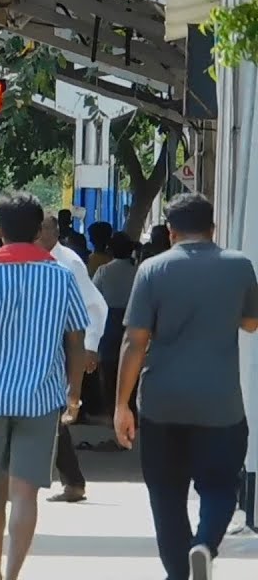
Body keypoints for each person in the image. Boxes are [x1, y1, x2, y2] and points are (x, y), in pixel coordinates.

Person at [114, 192, 258, 580]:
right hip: (221, 403)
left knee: (166, 494)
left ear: (170, 232)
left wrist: (121, 405)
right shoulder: (240, 266)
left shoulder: (153, 269)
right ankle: (205, 544)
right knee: (220, 486)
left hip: (161, 402)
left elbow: (134, 341)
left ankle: (178, 574)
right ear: (213, 228)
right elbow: (251, 323)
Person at [0, 191, 90, 580]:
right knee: (25, 492)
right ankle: (13, 575)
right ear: (38, 231)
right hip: (42, 400)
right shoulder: (61, 277)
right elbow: (76, 342)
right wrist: (75, 393)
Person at [38, 215, 108, 502]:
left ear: (53, 232)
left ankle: (72, 482)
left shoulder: (69, 262)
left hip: (67, 346)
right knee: (52, 417)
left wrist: (90, 346)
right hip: (48, 347)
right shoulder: (35, 259)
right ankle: (72, 482)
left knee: (53, 415)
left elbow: (93, 305)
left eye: (40, 229)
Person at [93, 231, 138, 427]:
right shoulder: (138, 272)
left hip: (108, 323)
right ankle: (131, 409)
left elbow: (94, 299)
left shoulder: (103, 271)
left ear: (110, 250)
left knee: (108, 368)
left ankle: (112, 410)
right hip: (133, 321)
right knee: (132, 366)